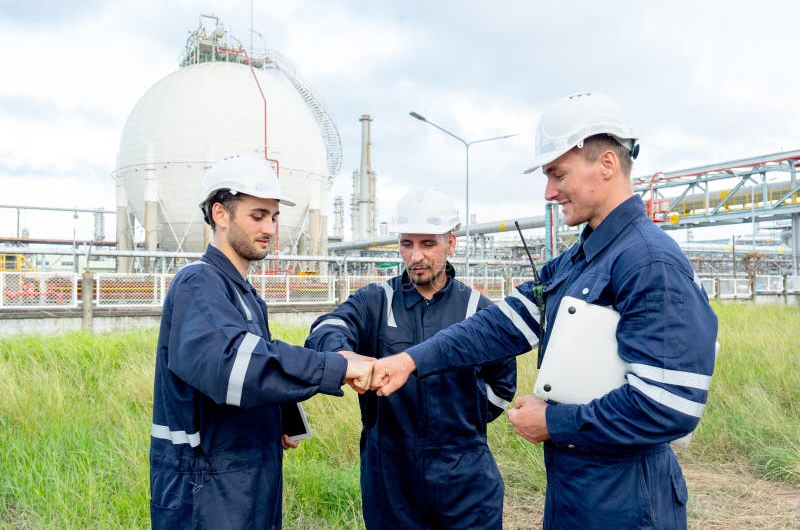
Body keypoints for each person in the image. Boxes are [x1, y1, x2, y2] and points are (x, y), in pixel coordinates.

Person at [370, 93, 718, 529]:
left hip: (629, 501)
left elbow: (668, 404)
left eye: (558, 173)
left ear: (607, 164)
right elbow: (498, 326)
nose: (549, 191)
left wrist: (554, 422)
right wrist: (410, 360)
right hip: (579, 491)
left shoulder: (648, 262)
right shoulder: (581, 259)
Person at [149, 154, 373, 529]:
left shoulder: (245, 294)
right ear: (221, 214)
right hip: (206, 487)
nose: (269, 227)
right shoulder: (198, 284)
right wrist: (339, 366)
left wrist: (279, 420)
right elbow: (234, 366)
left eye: (273, 217)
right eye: (257, 216)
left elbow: (252, 366)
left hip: (246, 475)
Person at [305, 187, 516, 529]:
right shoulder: (377, 301)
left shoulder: (477, 310)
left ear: (451, 243)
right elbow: (328, 324)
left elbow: (503, 383)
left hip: (463, 474)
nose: (416, 256)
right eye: (407, 244)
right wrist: (342, 354)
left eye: (428, 244)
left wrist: (464, 418)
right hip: (391, 474)